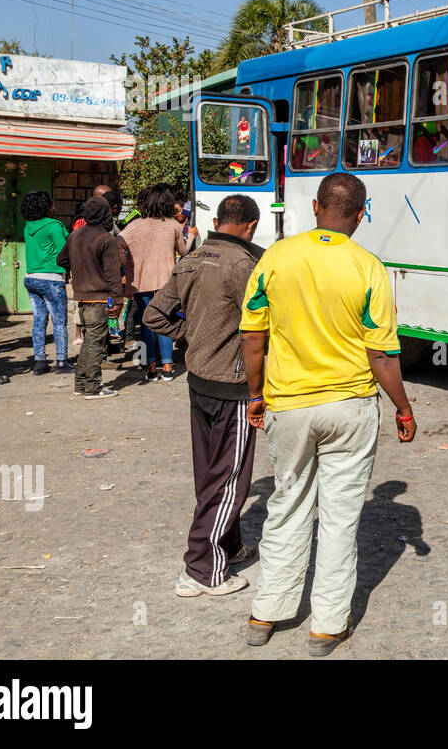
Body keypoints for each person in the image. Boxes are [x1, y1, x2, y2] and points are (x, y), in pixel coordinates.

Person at [239, 172, 417, 656]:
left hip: (289, 404)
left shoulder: (276, 257)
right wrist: (403, 408)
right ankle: (327, 626)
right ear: (361, 214)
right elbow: (382, 355)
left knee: (288, 503)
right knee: (340, 518)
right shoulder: (369, 267)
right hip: (350, 407)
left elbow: (253, 337)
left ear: (316, 207)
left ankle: (266, 614)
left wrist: (256, 395)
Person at [143, 194, 265, 598]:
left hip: (198, 381)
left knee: (210, 473)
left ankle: (227, 546)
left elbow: (154, 316)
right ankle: (201, 568)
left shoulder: (192, 258)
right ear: (250, 225)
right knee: (230, 478)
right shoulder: (244, 265)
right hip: (232, 387)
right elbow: (263, 326)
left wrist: (191, 338)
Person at [121, 185, 195, 382]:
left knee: (147, 322)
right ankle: (168, 367)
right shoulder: (172, 225)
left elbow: (117, 244)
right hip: (166, 281)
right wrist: (193, 234)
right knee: (165, 320)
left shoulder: (134, 226)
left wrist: (126, 263)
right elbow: (184, 250)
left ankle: (151, 367)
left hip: (141, 280)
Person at [57, 197, 122, 399]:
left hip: (81, 296)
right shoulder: (105, 238)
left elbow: (61, 260)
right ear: (106, 213)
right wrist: (118, 301)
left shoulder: (74, 236)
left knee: (88, 342)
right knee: (95, 343)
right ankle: (93, 387)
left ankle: (81, 384)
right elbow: (113, 274)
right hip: (99, 297)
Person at [20, 191, 72, 376]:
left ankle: (40, 361)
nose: (54, 206)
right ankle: (61, 361)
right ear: (46, 206)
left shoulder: (28, 227)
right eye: (52, 203)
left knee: (39, 321)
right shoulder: (54, 226)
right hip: (51, 278)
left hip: (31, 277)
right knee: (59, 322)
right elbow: (64, 252)